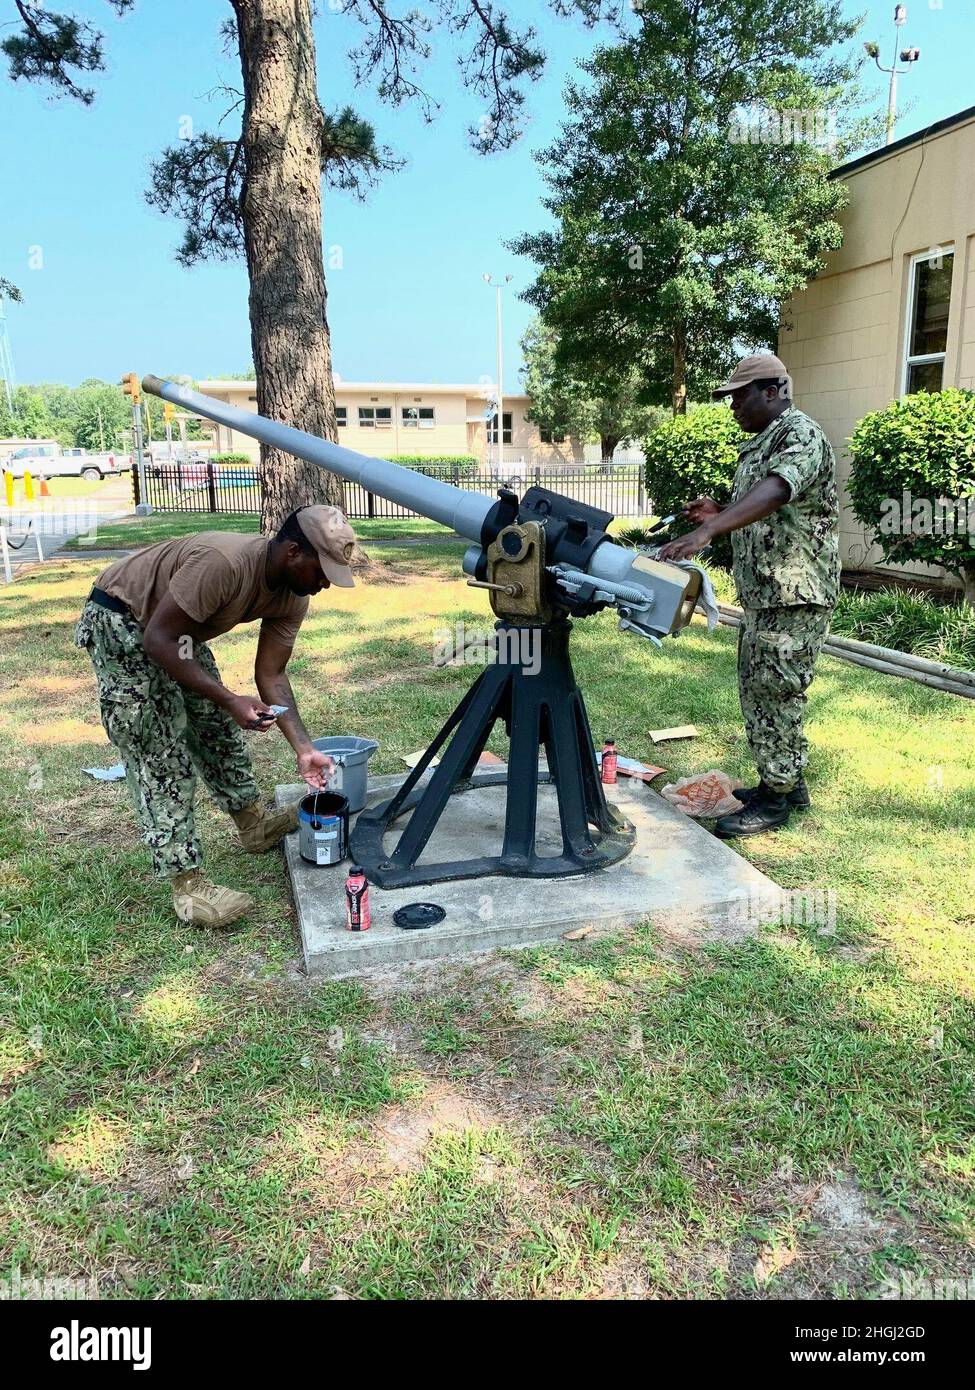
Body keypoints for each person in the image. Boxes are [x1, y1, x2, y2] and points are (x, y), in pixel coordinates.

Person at [75, 505, 358, 925]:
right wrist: (229, 697)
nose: (325, 584)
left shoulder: (294, 596)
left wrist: (303, 748)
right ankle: (188, 890)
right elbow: (157, 639)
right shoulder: (223, 564)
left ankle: (252, 824)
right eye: (323, 571)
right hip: (124, 618)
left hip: (176, 632)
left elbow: (272, 674)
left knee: (216, 727)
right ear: (293, 552)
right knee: (159, 750)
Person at [658, 353, 839, 838]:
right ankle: (782, 782)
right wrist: (720, 509)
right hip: (768, 593)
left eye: (740, 395)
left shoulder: (800, 434)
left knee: (777, 689)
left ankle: (776, 802)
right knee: (761, 689)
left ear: (773, 390)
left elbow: (779, 491)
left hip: (795, 592)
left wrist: (710, 531)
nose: (733, 405)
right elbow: (771, 507)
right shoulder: (767, 441)